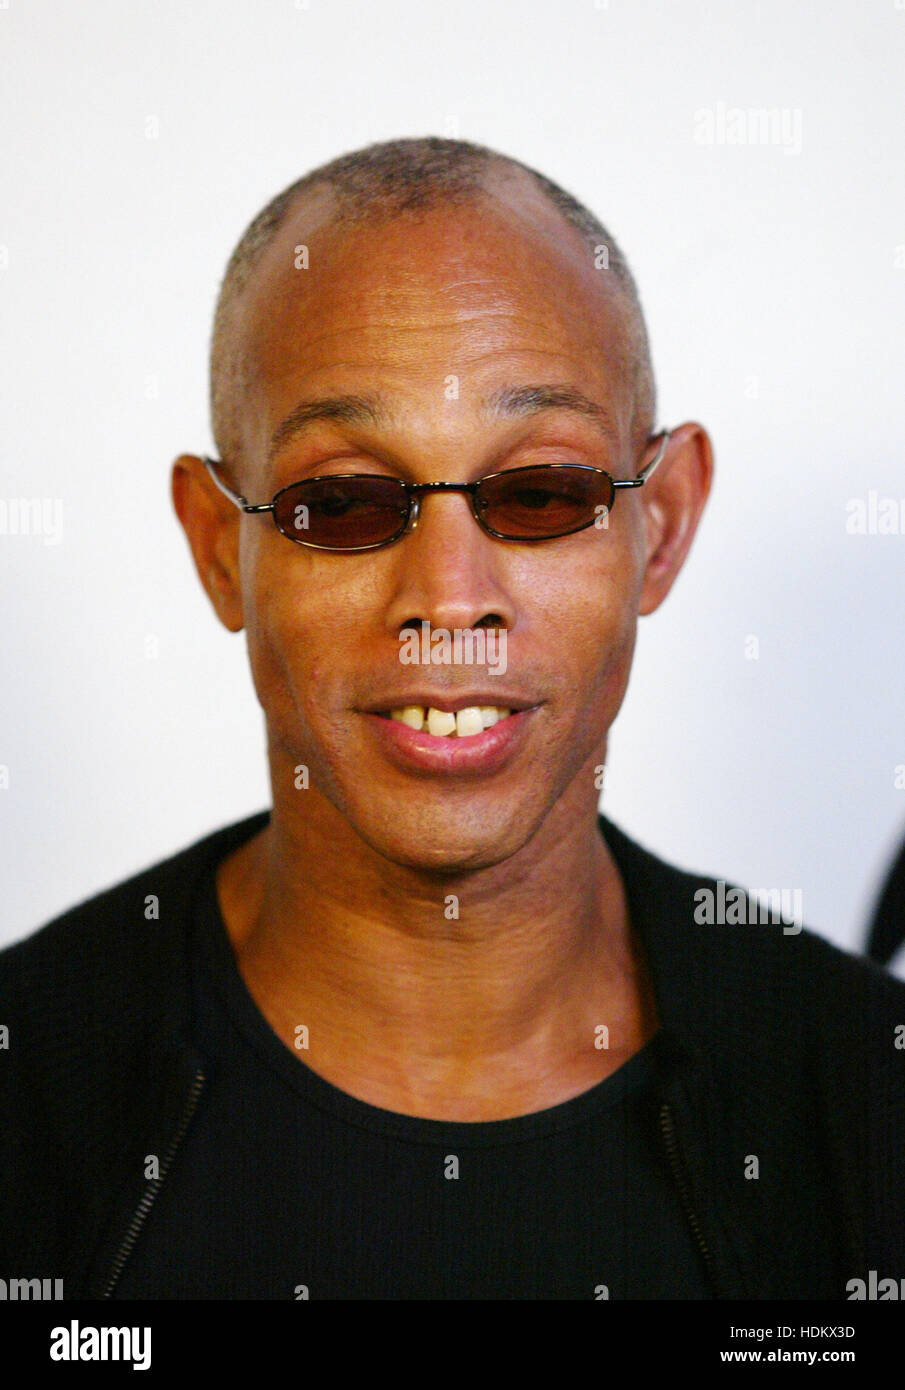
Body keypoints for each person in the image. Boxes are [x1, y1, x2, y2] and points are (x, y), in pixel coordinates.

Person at [2, 137, 902, 1302]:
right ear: (220, 547)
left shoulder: (866, 1101)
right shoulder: (29, 1095)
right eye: (341, 502)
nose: (446, 596)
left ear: (660, 526)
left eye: (537, 492)